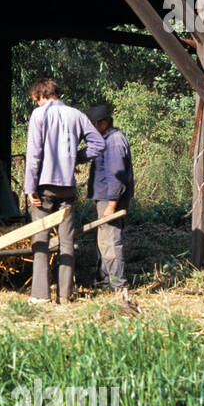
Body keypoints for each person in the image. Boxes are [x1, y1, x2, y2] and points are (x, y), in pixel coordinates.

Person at [22, 78, 104, 304]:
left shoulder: (39, 115)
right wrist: (74, 158)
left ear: (41, 95)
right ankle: (65, 295)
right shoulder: (77, 115)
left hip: (44, 188)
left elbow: (34, 155)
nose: (36, 104)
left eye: (35, 100)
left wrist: (30, 188)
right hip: (67, 188)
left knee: (40, 240)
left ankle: (40, 295)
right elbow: (98, 144)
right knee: (66, 242)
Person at [84, 101, 135, 299]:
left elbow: (117, 176)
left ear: (103, 123)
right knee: (103, 241)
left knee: (111, 242)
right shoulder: (106, 139)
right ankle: (105, 281)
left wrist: (112, 204)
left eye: (93, 125)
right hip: (105, 199)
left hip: (110, 200)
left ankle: (118, 286)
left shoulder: (114, 141)